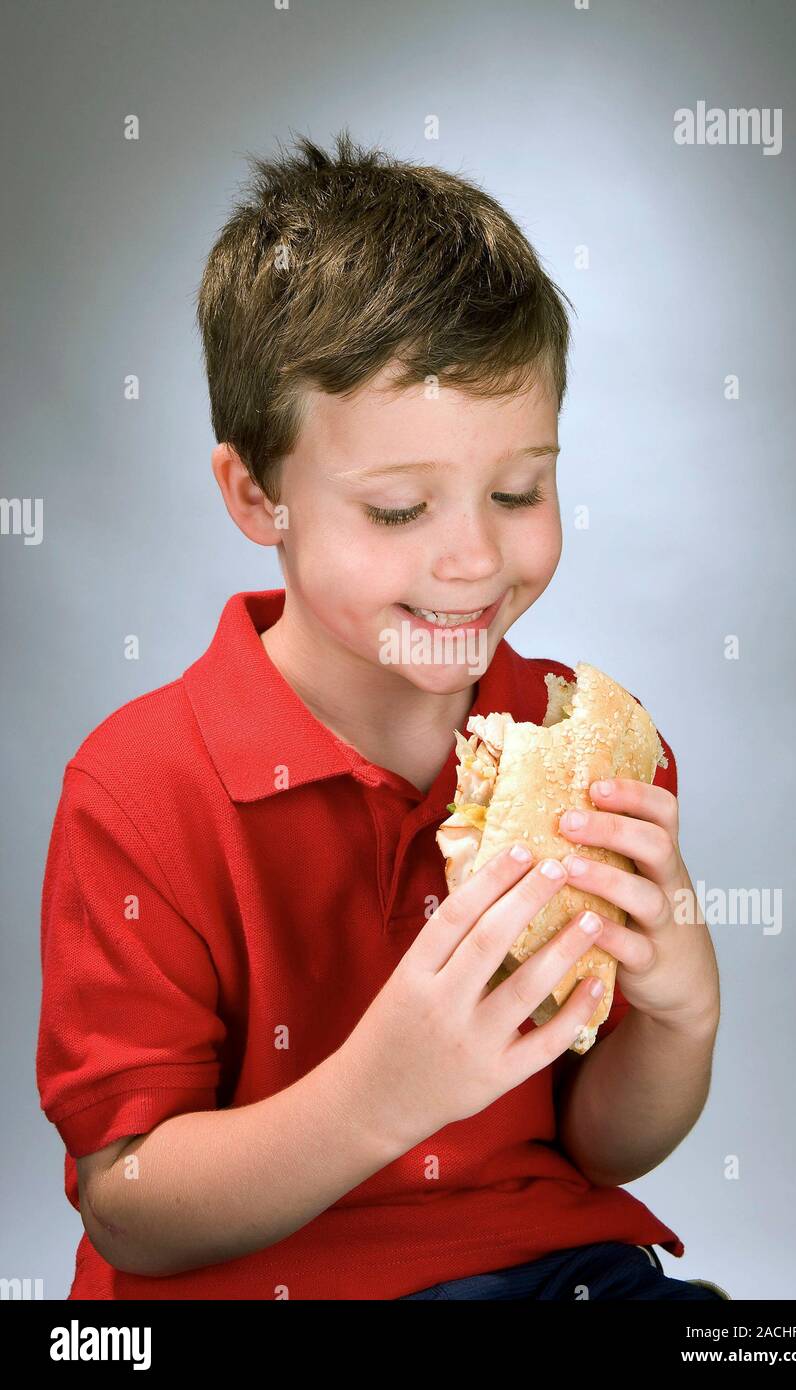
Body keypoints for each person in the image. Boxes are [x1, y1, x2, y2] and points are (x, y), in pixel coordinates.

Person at [36, 130, 723, 1301]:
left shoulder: (590, 751)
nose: (470, 557)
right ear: (258, 494)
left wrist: (679, 1016)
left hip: (550, 1271)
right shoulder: (141, 789)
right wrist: (380, 1093)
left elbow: (599, 1141)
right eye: (399, 510)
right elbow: (132, 1204)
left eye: (517, 491)